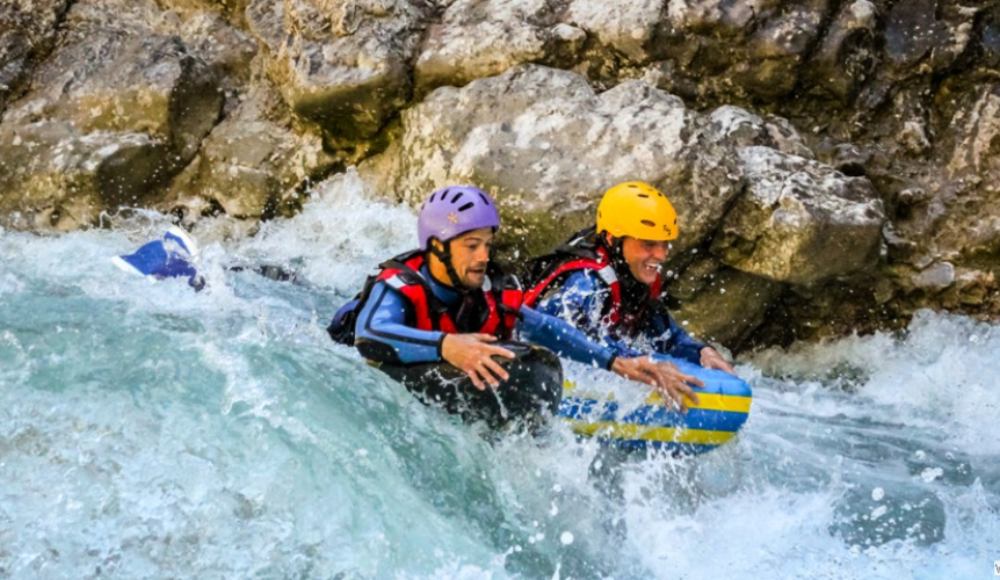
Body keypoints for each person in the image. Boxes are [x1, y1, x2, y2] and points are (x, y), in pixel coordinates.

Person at [328, 185, 703, 423]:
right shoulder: (398, 284)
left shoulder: (490, 286)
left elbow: (543, 327)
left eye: (487, 245)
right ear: (436, 247)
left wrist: (615, 362)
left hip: (440, 372)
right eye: (470, 245)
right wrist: (448, 347)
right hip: (364, 372)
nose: (482, 257)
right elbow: (371, 333)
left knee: (534, 366)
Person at [522, 181, 735, 396]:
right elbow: (553, 334)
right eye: (648, 244)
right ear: (612, 239)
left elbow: (665, 336)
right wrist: (626, 360)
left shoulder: (634, 277)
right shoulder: (584, 282)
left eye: (664, 244)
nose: (661, 256)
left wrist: (700, 352)